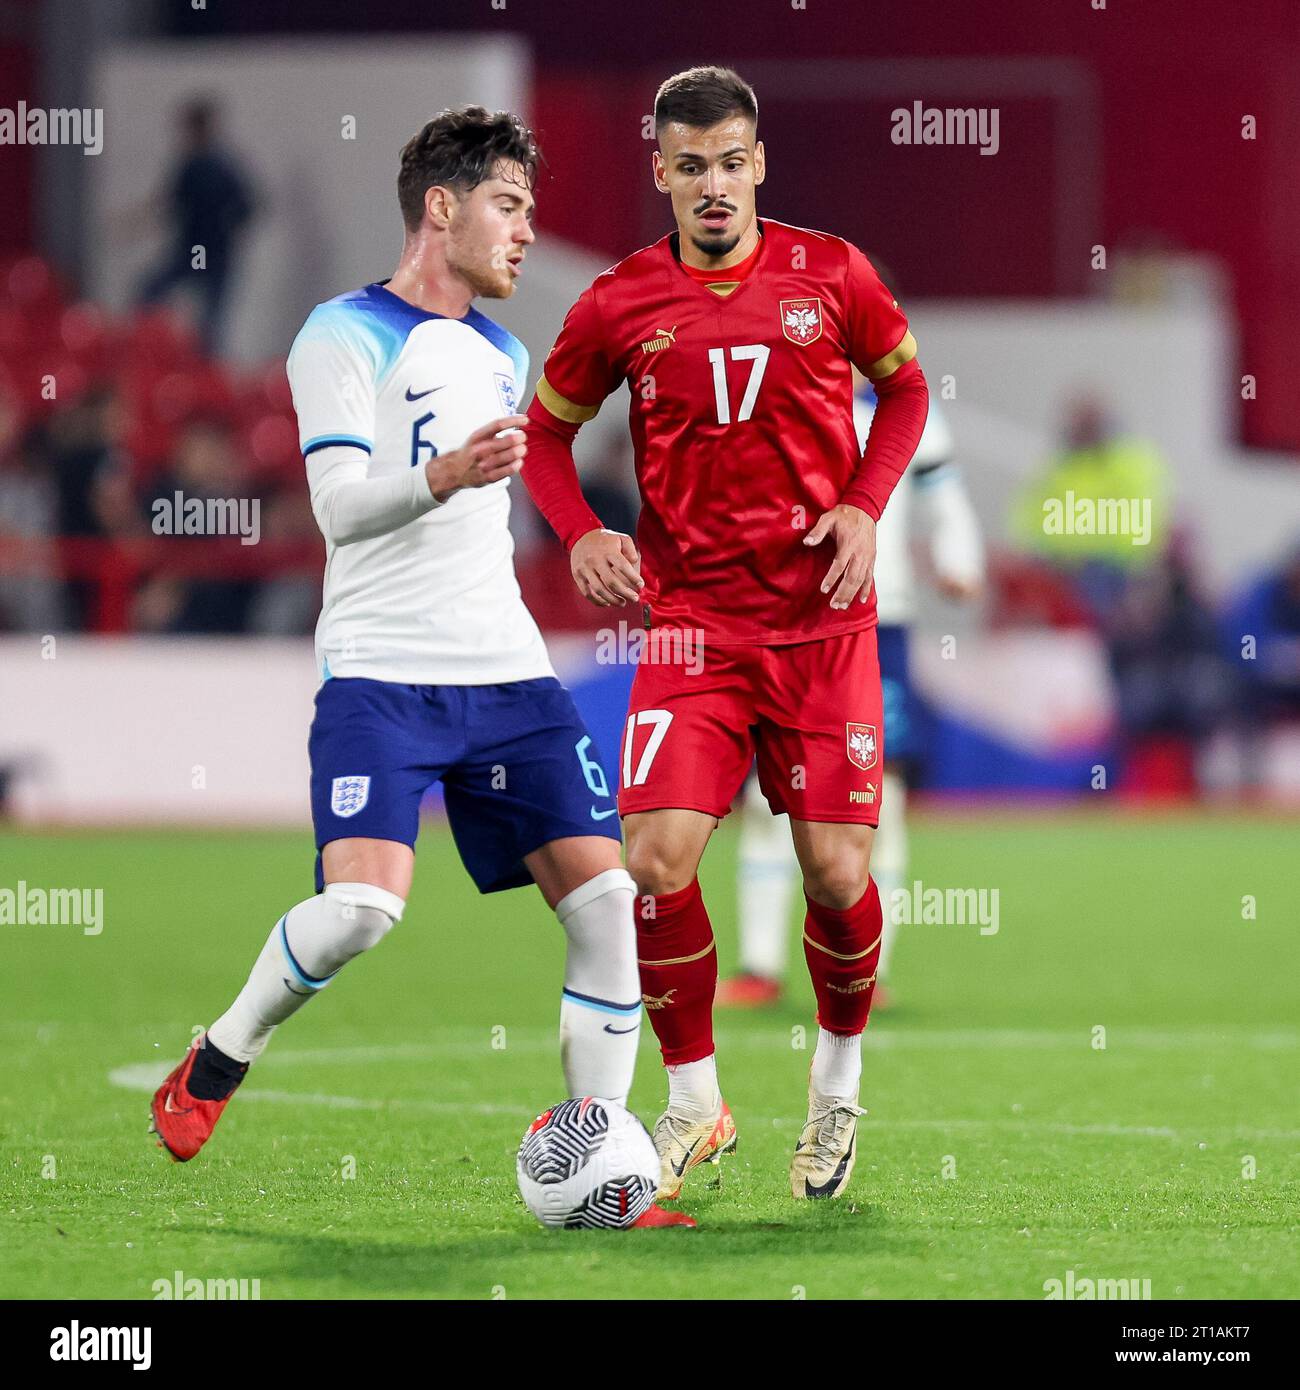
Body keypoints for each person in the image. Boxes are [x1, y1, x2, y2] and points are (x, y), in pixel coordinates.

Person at [150, 106, 687, 1228]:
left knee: (605, 902)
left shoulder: (505, 350)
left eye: (532, 212)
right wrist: (442, 476)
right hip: (381, 673)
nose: (526, 232)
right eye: (508, 205)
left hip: (505, 669)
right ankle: (220, 1052)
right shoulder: (338, 334)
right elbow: (341, 511)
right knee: (358, 910)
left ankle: (605, 1174)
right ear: (440, 209)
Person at [523, 68, 929, 1201]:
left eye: (731, 161)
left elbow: (904, 393)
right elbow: (544, 437)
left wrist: (862, 502)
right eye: (690, 165)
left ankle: (836, 1090)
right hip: (692, 626)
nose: (713, 185)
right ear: (660, 171)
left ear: (759, 163)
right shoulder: (617, 301)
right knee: (652, 862)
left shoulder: (831, 273)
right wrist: (579, 531)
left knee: (836, 875)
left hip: (820, 628)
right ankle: (695, 1099)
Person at [719, 372, 984, 1009]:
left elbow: (944, 498)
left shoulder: (910, 412)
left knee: (880, 802)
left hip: (877, 623)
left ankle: (870, 971)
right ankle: (760, 968)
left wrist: (959, 562)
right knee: (764, 799)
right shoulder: (779, 398)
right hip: (785, 619)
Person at [136, 98, 256, 357]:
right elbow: (168, 202)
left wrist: (225, 230)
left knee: (210, 326)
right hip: (189, 252)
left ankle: (203, 381)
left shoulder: (222, 167)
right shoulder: (190, 165)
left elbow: (247, 207)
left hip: (214, 255)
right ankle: (151, 351)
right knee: (149, 294)